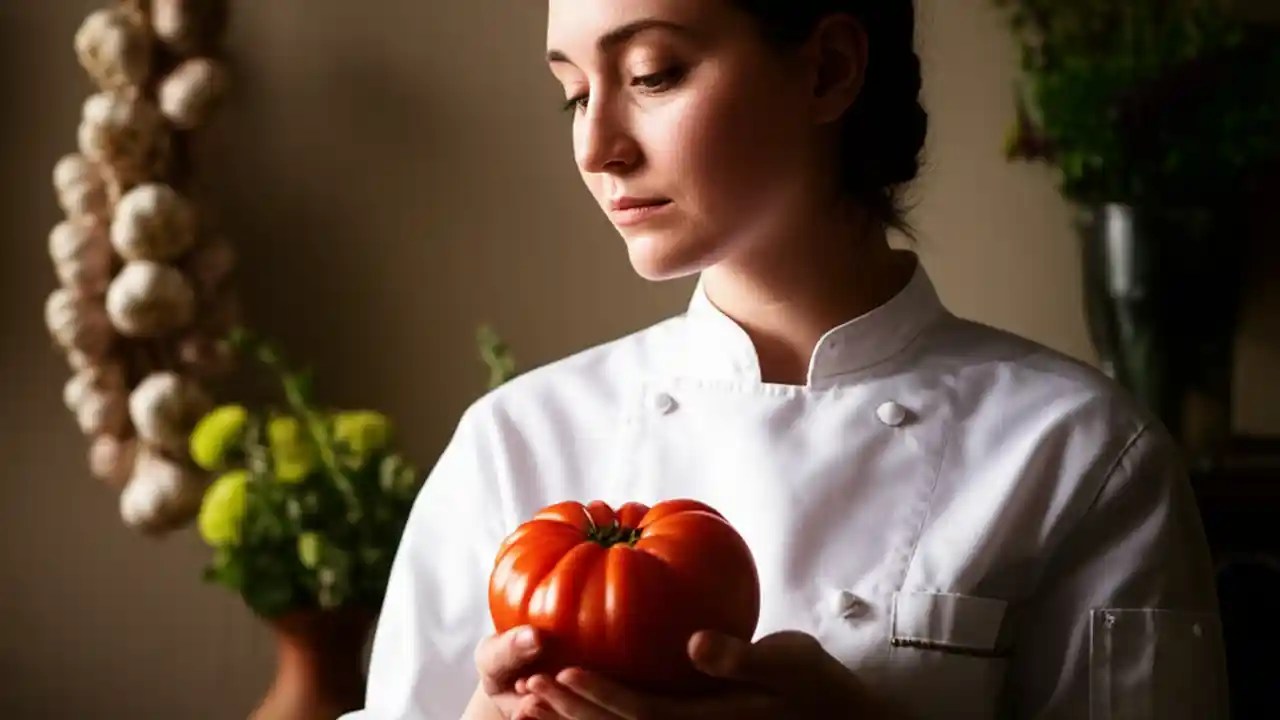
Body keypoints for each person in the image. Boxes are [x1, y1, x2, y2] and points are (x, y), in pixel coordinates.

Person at [346, 1, 1228, 718]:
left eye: (652, 74)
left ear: (829, 68)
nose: (595, 145)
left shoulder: (1080, 451)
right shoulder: (518, 441)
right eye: (575, 93)